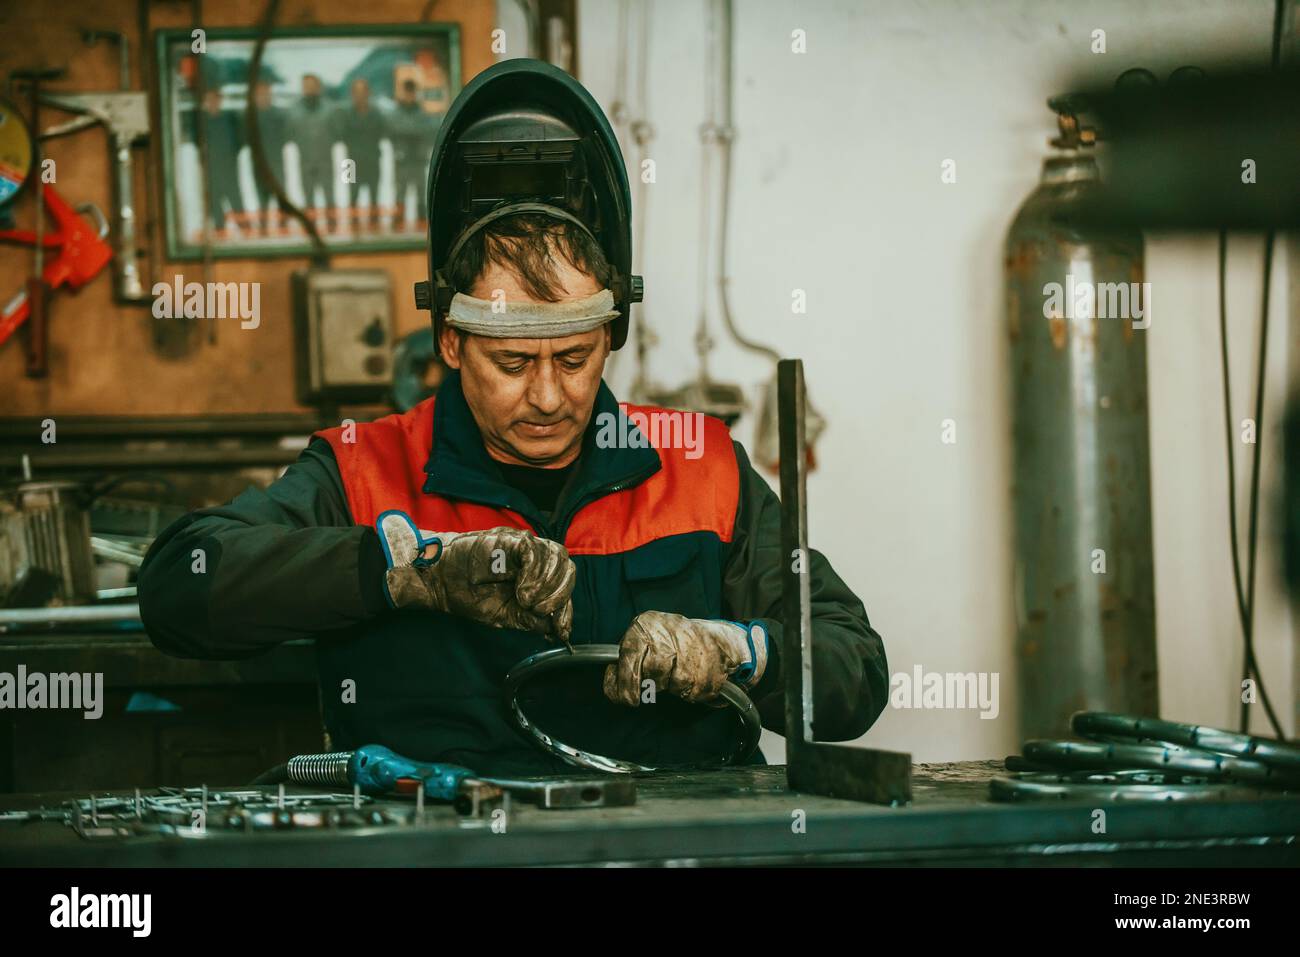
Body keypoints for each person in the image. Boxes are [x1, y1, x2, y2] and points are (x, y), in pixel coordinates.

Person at [138, 60, 888, 776]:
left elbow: (856, 667)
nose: (550, 397)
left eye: (573, 358)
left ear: (612, 334)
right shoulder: (364, 468)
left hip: (670, 839)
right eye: (512, 363)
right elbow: (177, 589)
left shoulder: (701, 464)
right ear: (451, 341)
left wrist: (743, 650)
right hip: (446, 847)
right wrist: (402, 572)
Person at [386, 78, 439, 230]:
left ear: (415, 93)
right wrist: (411, 134)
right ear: (402, 93)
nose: (409, 96)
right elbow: (392, 132)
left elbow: (428, 133)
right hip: (401, 160)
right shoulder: (395, 113)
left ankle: (422, 226)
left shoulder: (422, 113)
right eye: (407, 92)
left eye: (412, 92)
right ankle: (397, 225)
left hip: (418, 159)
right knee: (400, 193)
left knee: (420, 193)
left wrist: (408, 134)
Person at [287, 73, 336, 229]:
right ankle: (312, 233)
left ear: (319, 87)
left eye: (313, 85)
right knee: (308, 201)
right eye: (306, 86)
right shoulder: (294, 110)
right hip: (305, 162)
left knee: (330, 200)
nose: (310, 89)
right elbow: (290, 134)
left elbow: (337, 132)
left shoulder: (330, 109)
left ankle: (332, 231)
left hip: (326, 162)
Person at [336, 77, 385, 231]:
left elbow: (382, 132)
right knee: (352, 197)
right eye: (356, 92)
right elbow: (341, 134)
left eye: (363, 91)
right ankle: (353, 229)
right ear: (352, 94)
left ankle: (375, 230)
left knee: (374, 198)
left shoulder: (376, 113)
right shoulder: (345, 114)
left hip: (373, 160)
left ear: (368, 93)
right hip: (350, 163)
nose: (360, 95)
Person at [249, 78, 289, 234]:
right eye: (259, 94)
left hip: (277, 165)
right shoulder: (250, 116)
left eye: (266, 93)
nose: (263, 97)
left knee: (281, 199)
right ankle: (263, 231)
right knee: (262, 199)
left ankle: (283, 229)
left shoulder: (279, 115)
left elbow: (286, 135)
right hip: (258, 166)